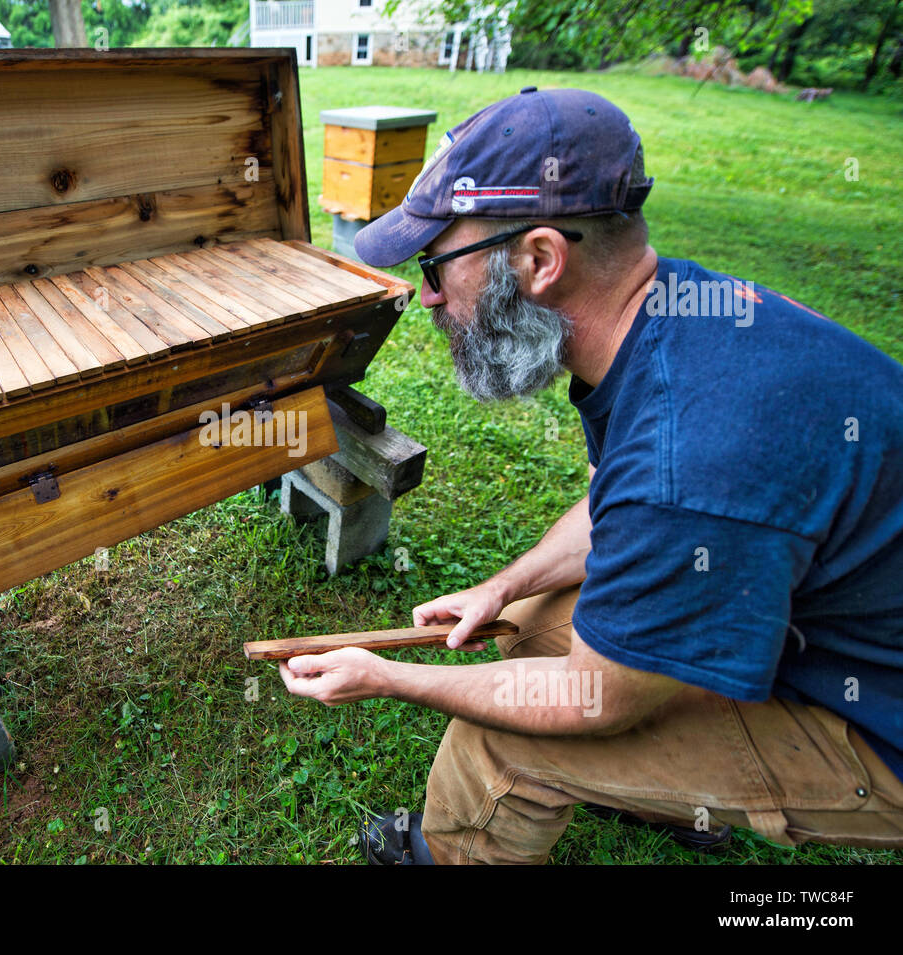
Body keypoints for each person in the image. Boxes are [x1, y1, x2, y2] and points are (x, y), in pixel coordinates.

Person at [277, 87, 903, 864]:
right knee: (532, 621)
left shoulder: (688, 459)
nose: (429, 294)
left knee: (503, 732)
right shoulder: (674, 310)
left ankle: (447, 855)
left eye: (438, 265)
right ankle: (665, 788)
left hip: (875, 725)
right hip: (807, 619)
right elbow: (615, 502)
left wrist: (387, 675)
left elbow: (589, 697)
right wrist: (503, 586)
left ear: (541, 258)